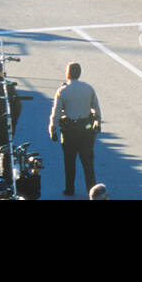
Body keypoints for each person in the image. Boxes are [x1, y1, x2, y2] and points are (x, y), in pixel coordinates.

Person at [48, 62, 101, 198]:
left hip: (69, 130)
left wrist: (52, 129)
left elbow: (56, 112)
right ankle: (92, 190)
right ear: (79, 73)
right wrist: (97, 122)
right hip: (86, 130)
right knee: (88, 162)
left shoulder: (62, 90)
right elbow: (96, 107)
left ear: (68, 73)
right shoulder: (88, 88)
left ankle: (69, 188)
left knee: (69, 161)